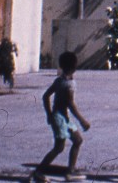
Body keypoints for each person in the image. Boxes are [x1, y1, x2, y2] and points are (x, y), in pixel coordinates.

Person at [33, 51, 90, 182]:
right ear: (74, 66)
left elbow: (46, 96)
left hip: (60, 117)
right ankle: (39, 172)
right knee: (59, 147)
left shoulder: (59, 81)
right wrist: (83, 121)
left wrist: (49, 114)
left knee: (77, 140)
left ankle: (71, 171)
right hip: (60, 119)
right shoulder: (69, 84)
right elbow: (70, 104)